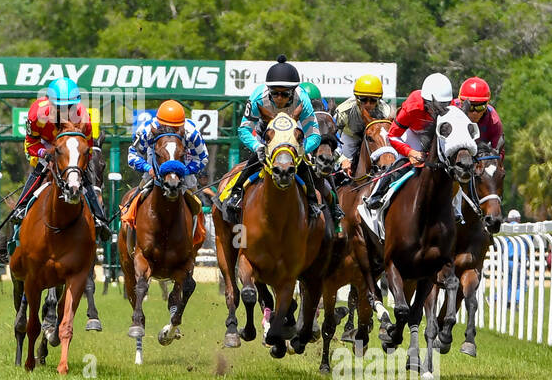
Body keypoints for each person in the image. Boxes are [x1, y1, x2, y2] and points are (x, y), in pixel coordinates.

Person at [218, 55, 328, 225]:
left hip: (292, 136)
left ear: (293, 92)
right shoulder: (258, 98)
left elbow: (314, 135)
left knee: (303, 166)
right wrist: (258, 147)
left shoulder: (303, 100)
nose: (278, 98)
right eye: (274, 93)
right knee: (254, 160)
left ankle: (312, 202)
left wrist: (300, 150)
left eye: (284, 94)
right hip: (267, 133)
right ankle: (236, 193)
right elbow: (244, 129)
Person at [11, 78, 112, 239]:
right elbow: (31, 143)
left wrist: (78, 164)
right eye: (59, 107)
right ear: (50, 103)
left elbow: (88, 149)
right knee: (40, 168)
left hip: (70, 147)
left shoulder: (83, 118)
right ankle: (21, 207)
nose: (65, 111)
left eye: (69, 106)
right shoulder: (36, 114)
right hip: (44, 145)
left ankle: (99, 218)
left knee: (81, 174)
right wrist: (46, 153)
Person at [357, 73, 454, 236]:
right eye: (436, 106)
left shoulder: (451, 109)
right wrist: (409, 152)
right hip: (413, 134)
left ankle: (456, 209)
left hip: (435, 137)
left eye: (445, 105)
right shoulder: (412, 106)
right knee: (399, 163)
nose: (440, 111)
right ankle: (376, 196)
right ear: (425, 101)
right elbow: (392, 135)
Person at [124, 100, 209, 248]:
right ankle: (131, 233)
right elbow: (132, 155)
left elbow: (202, 158)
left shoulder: (192, 133)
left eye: (176, 128)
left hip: (183, 162)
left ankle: (195, 239)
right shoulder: (147, 130)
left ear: (182, 125)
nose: (171, 130)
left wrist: (185, 170)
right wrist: (147, 168)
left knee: (197, 204)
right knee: (135, 198)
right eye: (167, 126)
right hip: (155, 162)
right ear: (159, 123)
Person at [334, 74, 393, 177]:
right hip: (351, 137)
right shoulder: (344, 111)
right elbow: (332, 137)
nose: (368, 104)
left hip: (375, 138)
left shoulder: (385, 111)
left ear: (379, 100)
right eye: (364, 99)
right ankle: (337, 183)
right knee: (342, 167)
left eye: (373, 100)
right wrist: (342, 160)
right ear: (357, 98)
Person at [452, 77, 504, 151]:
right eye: (470, 107)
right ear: (461, 103)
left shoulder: (494, 122)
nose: (475, 113)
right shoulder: (451, 110)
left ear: (487, 104)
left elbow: (498, 153)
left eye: (480, 107)